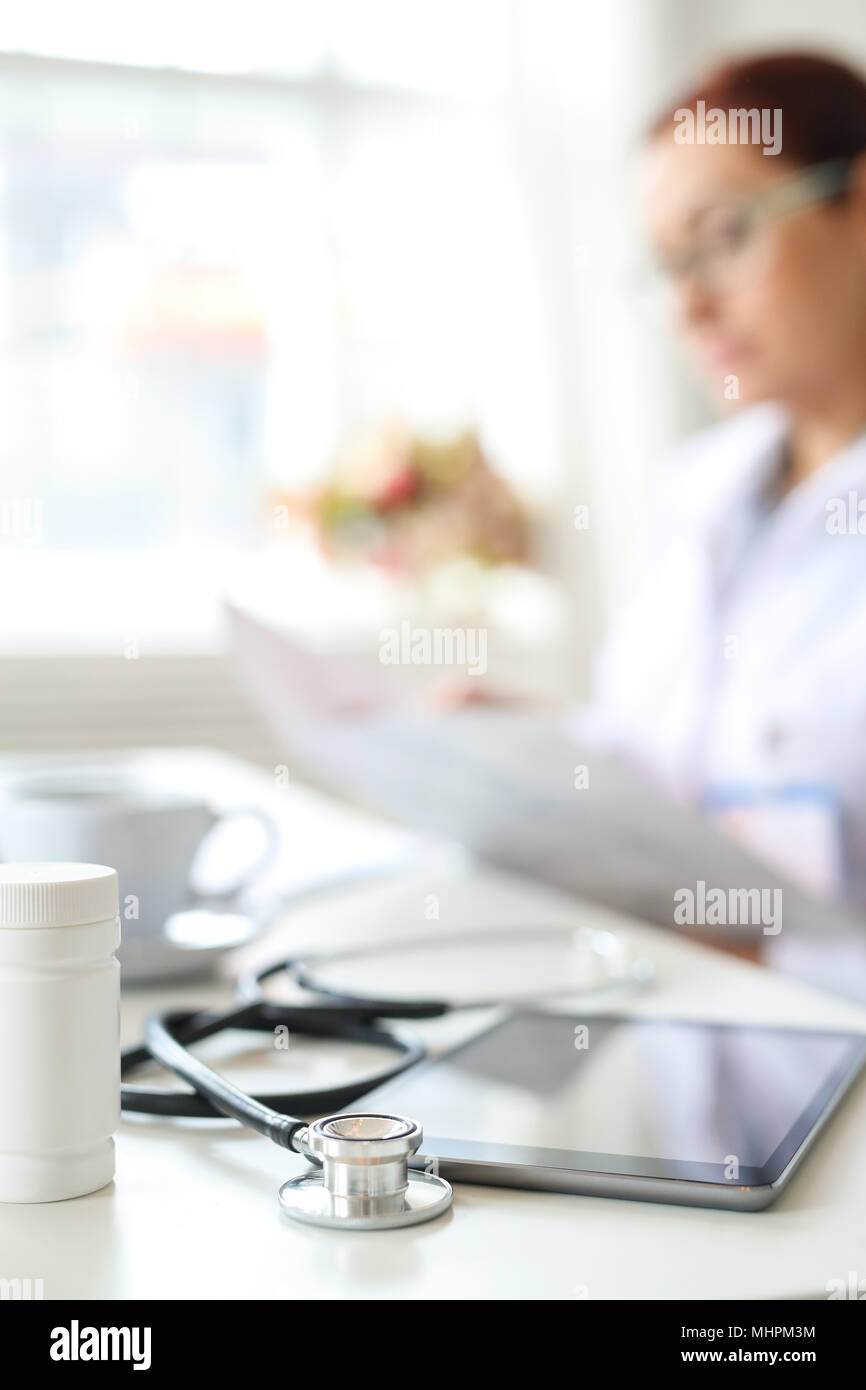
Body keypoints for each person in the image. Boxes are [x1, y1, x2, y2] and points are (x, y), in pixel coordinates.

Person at [566, 52, 866, 916]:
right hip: (680, 1022)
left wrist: (755, 924)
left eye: (724, 235)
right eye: (666, 265)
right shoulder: (695, 490)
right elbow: (674, 757)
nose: (688, 306)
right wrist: (538, 746)